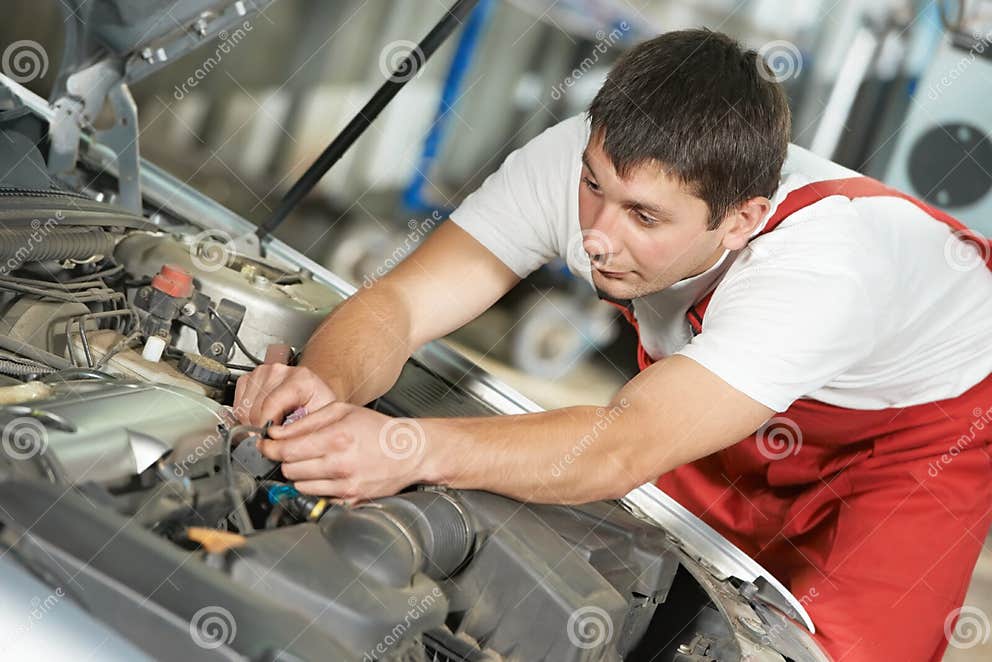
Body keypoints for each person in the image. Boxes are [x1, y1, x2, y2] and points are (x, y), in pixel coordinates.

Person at [234, 28, 992, 661]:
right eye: (595, 186)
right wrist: (325, 388)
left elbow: (621, 445)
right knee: (667, 592)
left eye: (645, 219)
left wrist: (406, 448)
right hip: (729, 381)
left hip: (920, 430)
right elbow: (399, 305)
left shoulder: (823, 271)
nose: (597, 237)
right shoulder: (579, 163)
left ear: (740, 221)